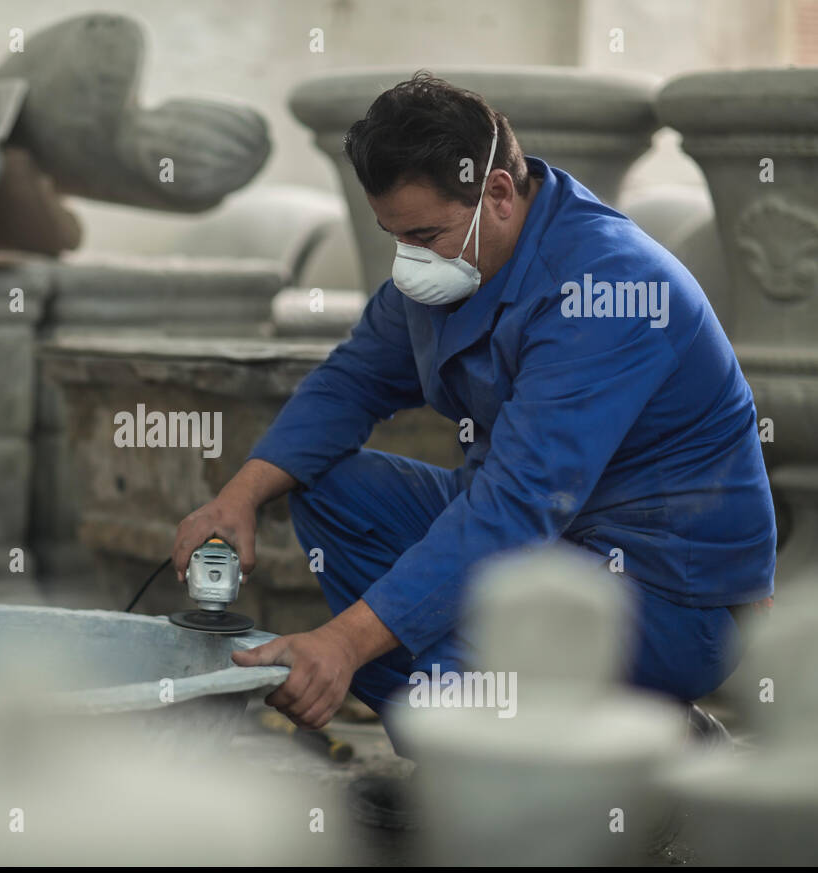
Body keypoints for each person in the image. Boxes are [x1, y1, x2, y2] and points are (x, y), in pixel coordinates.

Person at [170, 72, 776, 827]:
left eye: (423, 236)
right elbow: (352, 381)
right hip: (543, 538)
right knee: (329, 488)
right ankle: (494, 753)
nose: (409, 259)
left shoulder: (610, 289)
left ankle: (519, 779)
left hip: (667, 594)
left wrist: (342, 643)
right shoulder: (451, 267)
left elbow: (518, 507)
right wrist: (241, 495)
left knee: (481, 622)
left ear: (495, 192)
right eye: (394, 237)